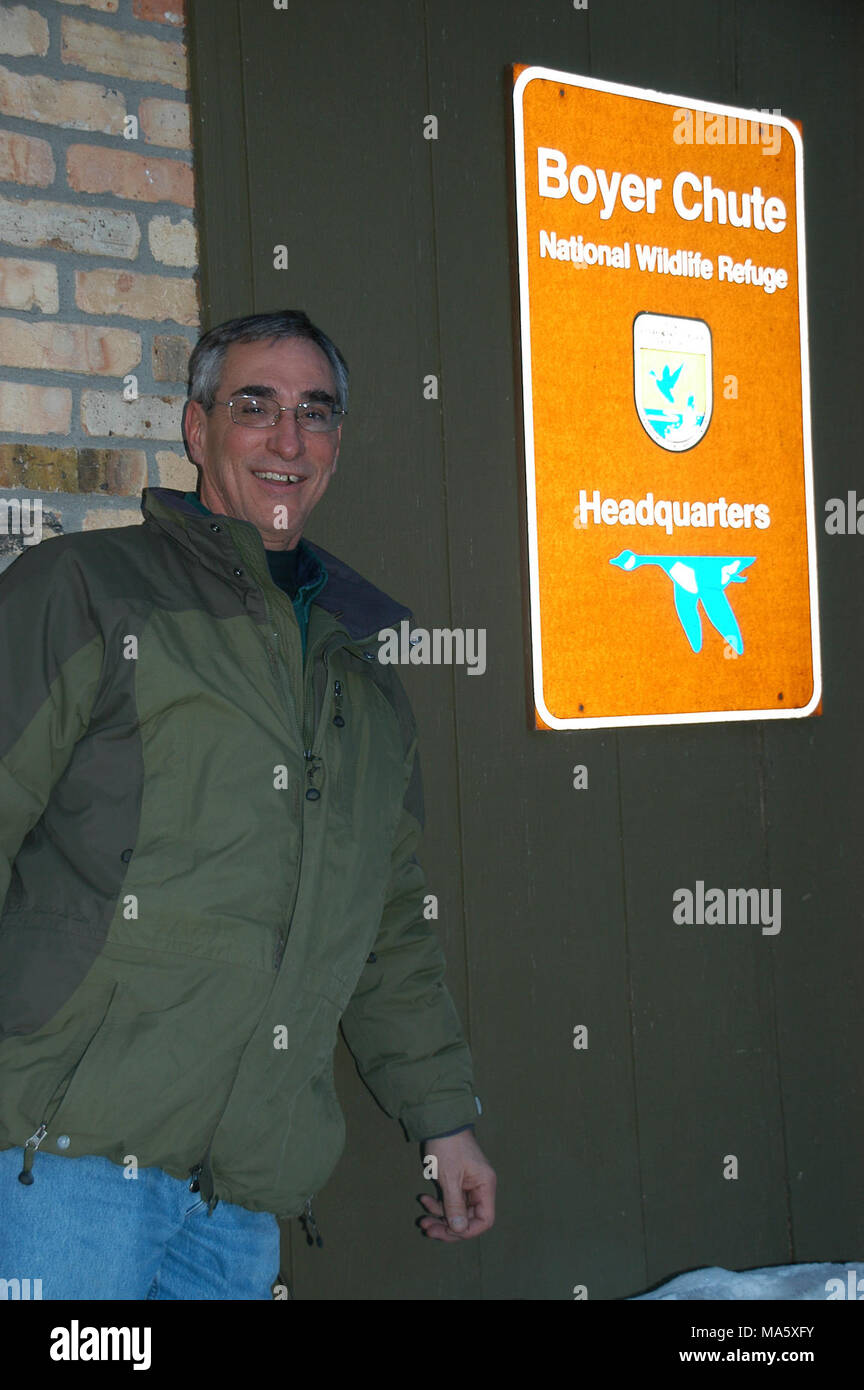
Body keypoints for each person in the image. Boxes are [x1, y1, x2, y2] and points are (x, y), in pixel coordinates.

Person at [0, 308, 496, 1300]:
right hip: (62, 1164)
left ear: (336, 445)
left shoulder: (362, 682)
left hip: (244, 1197)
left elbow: (390, 927)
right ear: (196, 430)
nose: (287, 438)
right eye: (255, 406)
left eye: (314, 414)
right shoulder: (87, 592)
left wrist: (443, 1116)